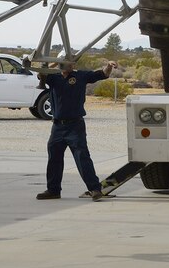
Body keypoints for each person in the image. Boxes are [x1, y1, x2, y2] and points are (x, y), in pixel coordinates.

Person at [35, 59, 117, 202]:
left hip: (75, 125)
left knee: (82, 157)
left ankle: (95, 189)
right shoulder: (53, 77)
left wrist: (109, 66)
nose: (65, 65)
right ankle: (53, 190)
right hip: (58, 126)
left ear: (73, 64)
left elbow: (102, 74)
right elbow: (40, 73)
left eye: (67, 63)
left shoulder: (81, 76)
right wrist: (55, 62)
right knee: (54, 158)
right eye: (62, 63)